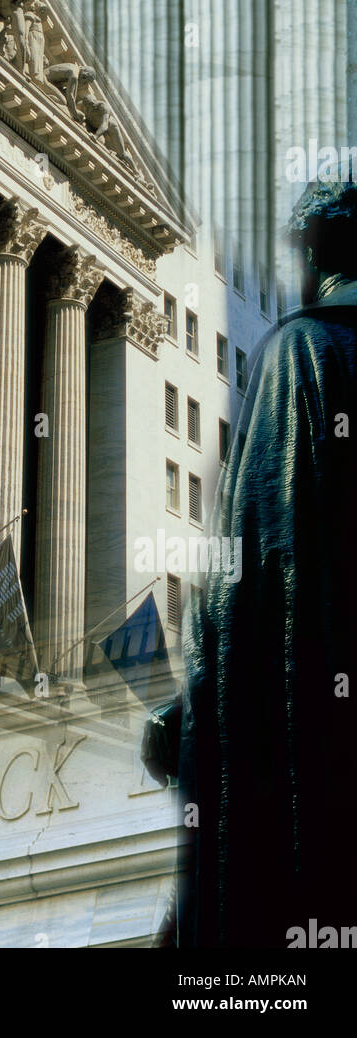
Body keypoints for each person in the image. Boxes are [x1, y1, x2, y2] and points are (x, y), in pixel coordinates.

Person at [156, 181, 357, 947]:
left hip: (309, 774)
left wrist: (188, 712)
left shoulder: (300, 350)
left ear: (312, 255)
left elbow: (260, 566)